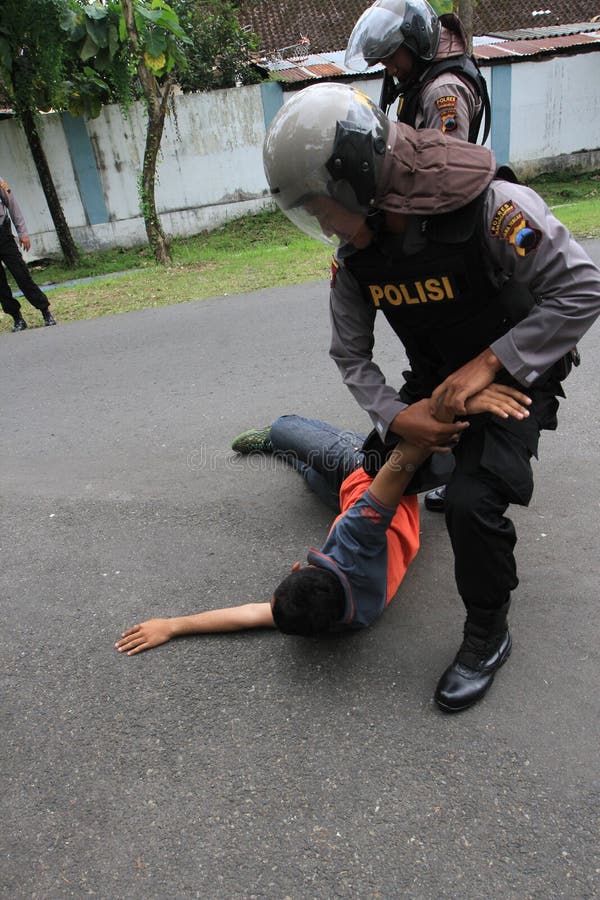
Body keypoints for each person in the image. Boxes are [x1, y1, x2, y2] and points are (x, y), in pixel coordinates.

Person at [261, 82, 600, 711]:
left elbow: (582, 288)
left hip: (518, 377)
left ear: (359, 180)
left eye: (323, 207)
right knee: (377, 466)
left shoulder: (495, 207)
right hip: (434, 381)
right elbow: (350, 355)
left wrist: (492, 364)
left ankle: (486, 634)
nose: (324, 225)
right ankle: (417, 460)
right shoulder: (359, 260)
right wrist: (400, 415)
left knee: (473, 503)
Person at [116, 382, 531, 710]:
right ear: (300, 568)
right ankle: (279, 441)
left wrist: (173, 625)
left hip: (367, 505)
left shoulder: (355, 617)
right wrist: (432, 425)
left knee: (311, 478)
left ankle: (286, 453)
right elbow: (400, 465)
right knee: (287, 426)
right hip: (368, 472)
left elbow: (246, 616)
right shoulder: (354, 537)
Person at [345, 0, 490, 144]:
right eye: (384, 63)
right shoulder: (423, 76)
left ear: (415, 42)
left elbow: (445, 163)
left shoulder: (443, 91)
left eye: (391, 58)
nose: (391, 70)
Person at [0, 177, 56, 332]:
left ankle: (45, 311)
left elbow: (13, 206)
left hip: (3, 236)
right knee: (0, 286)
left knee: (22, 276)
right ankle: (17, 318)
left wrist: (22, 233)